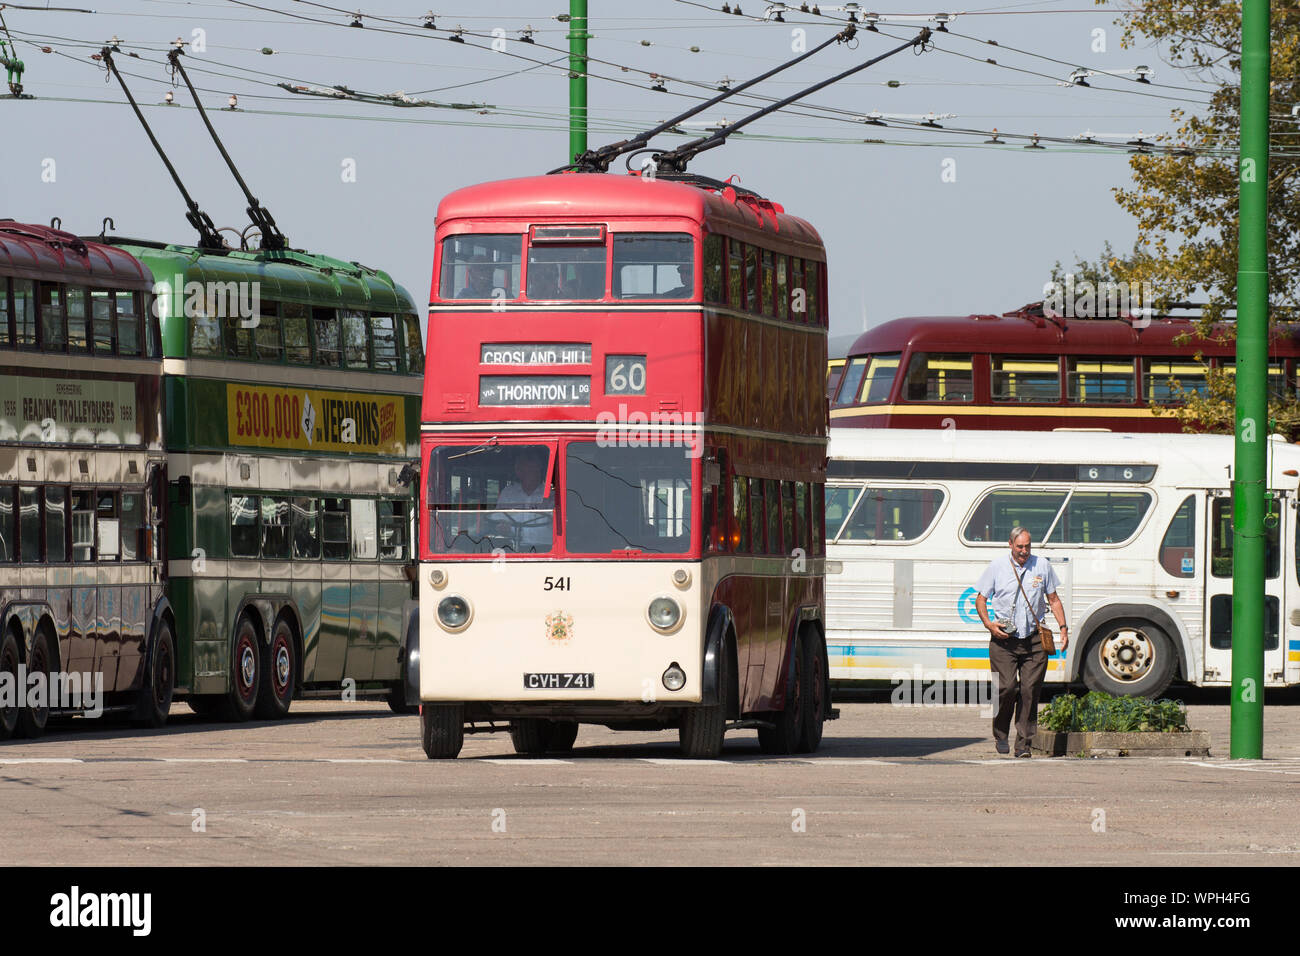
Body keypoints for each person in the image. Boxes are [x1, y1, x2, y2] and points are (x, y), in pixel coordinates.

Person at [974, 527, 1069, 757]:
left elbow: (1053, 600)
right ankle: (1001, 734)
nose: (1024, 551)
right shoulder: (997, 566)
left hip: (1034, 640)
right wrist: (989, 624)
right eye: (1020, 547)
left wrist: (1064, 628)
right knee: (1006, 688)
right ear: (1010, 545)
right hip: (1003, 639)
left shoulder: (1042, 566)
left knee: (1030, 691)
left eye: (1027, 546)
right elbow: (981, 598)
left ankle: (1023, 744)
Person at [494, 448, 553, 551]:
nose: (524, 467)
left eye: (529, 461)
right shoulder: (508, 494)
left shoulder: (552, 495)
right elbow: (496, 520)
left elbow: (558, 526)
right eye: (520, 463)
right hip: (512, 547)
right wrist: (501, 528)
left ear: (539, 466)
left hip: (546, 549)